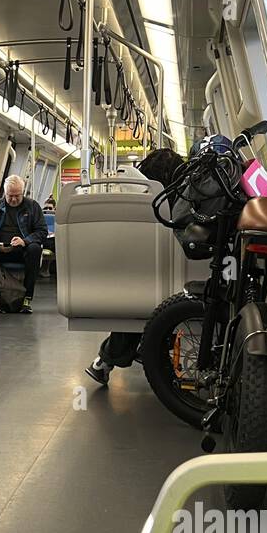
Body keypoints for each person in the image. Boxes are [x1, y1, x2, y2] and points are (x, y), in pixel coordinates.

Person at [85, 146, 188, 385]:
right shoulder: (182, 206)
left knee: (135, 305)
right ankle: (139, 352)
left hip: (139, 280)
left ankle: (106, 360)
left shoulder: (135, 204)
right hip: (177, 280)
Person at [0, 174, 49, 314]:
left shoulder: (33, 207)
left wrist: (25, 241)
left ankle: (27, 298)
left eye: (17, 195)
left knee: (35, 249)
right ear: (4, 193)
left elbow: (42, 231)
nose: (13, 199)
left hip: (23, 249)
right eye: (10, 195)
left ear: (23, 193)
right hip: (1, 247)